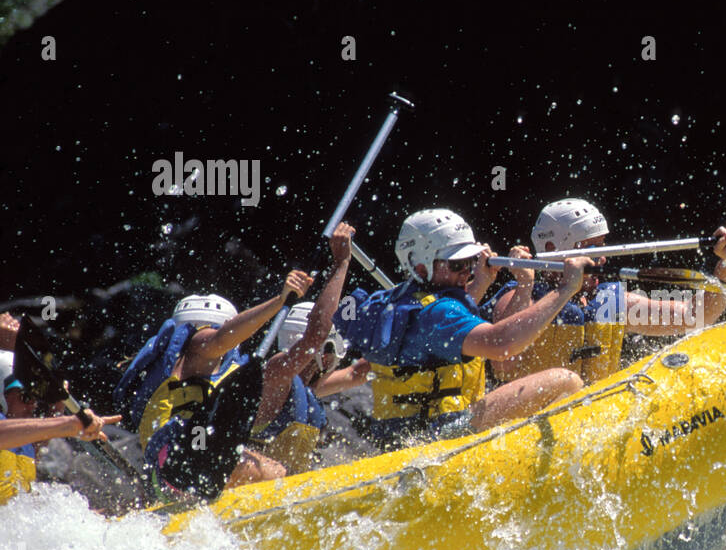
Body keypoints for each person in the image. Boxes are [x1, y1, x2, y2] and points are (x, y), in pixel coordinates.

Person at [334, 208, 594, 449]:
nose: (467, 271)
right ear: (421, 265)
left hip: (403, 438)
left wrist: (481, 280)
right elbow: (502, 344)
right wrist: (565, 289)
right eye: (458, 265)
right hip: (438, 435)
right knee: (565, 380)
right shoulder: (437, 313)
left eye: (470, 262)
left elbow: (444, 329)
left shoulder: (396, 301)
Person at [485, 199, 726, 384]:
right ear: (554, 249)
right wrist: (525, 285)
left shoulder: (610, 302)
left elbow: (696, 315)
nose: (603, 260)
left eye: (603, 247)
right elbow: (502, 365)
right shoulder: (522, 297)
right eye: (593, 249)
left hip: (595, 424)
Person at [113, 271, 312, 498]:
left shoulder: (220, 368)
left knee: (274, 466)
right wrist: (279, 301)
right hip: (178, 468)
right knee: (273, 473)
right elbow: (221, 339)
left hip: (183, 466)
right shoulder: (192, 349)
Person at [232, 223, 369, 484]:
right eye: (329, 350)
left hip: (284, 494)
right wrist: (340, 265)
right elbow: (316, 333)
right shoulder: (276, 374)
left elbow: (359, 371)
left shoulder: (310, 385)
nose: (332, 359)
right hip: (254, 492)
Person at [1, 347, 119, 504]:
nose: (32, 405)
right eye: (25, 396)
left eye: (35, 397)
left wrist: (57, 408)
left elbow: (24, 452)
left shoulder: (21, 440)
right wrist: (68, 424)